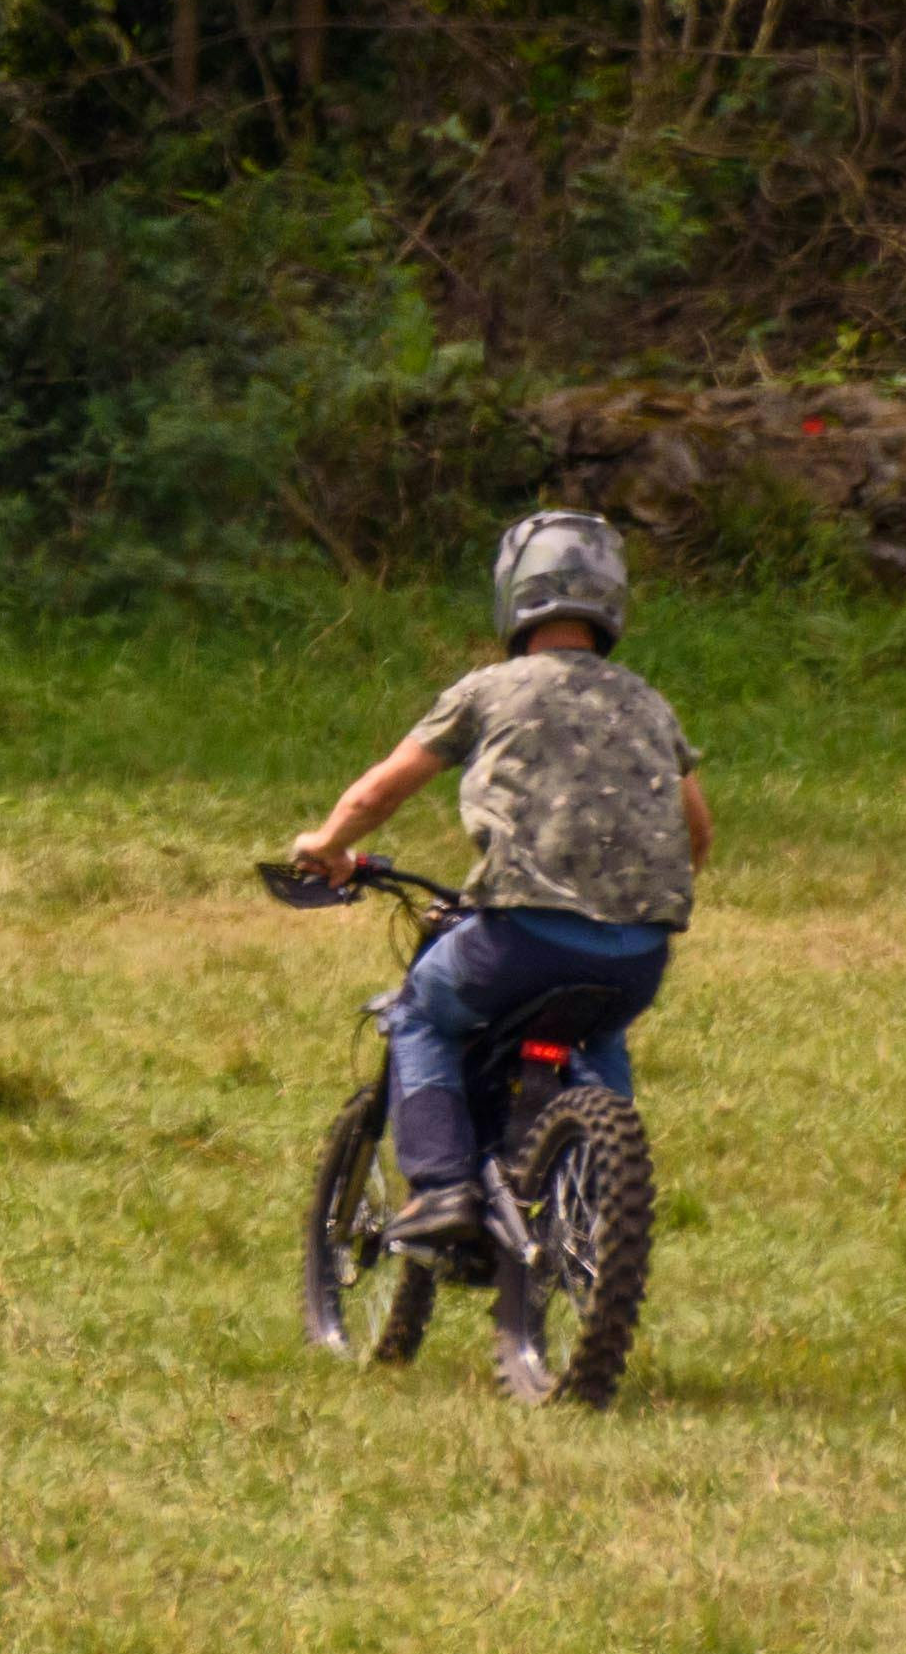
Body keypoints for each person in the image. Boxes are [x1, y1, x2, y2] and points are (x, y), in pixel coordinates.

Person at [285, 509, 713, 1256]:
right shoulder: (647, 701)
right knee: (601, 1033)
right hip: (641, 956)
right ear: (611, 604)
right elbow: (697, 832)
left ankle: (442, 1186)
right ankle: (600, 1202)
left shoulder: (489, 689)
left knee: (420, 1012)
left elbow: (381, 791)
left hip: (522, 943)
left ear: (515, 596)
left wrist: (326, 843)